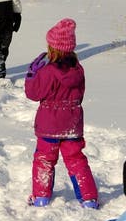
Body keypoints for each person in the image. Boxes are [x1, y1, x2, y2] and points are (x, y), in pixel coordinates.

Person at [25, 18, 99, 209]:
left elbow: (33, 94)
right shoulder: (78, 69)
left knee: (44, 159)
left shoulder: (48, 71)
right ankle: (88, 199)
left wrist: (32, 74)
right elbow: (80, 94)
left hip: (49, 125)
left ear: (52, 47)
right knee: (76, 160)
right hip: (72, 124)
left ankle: (41, 197)